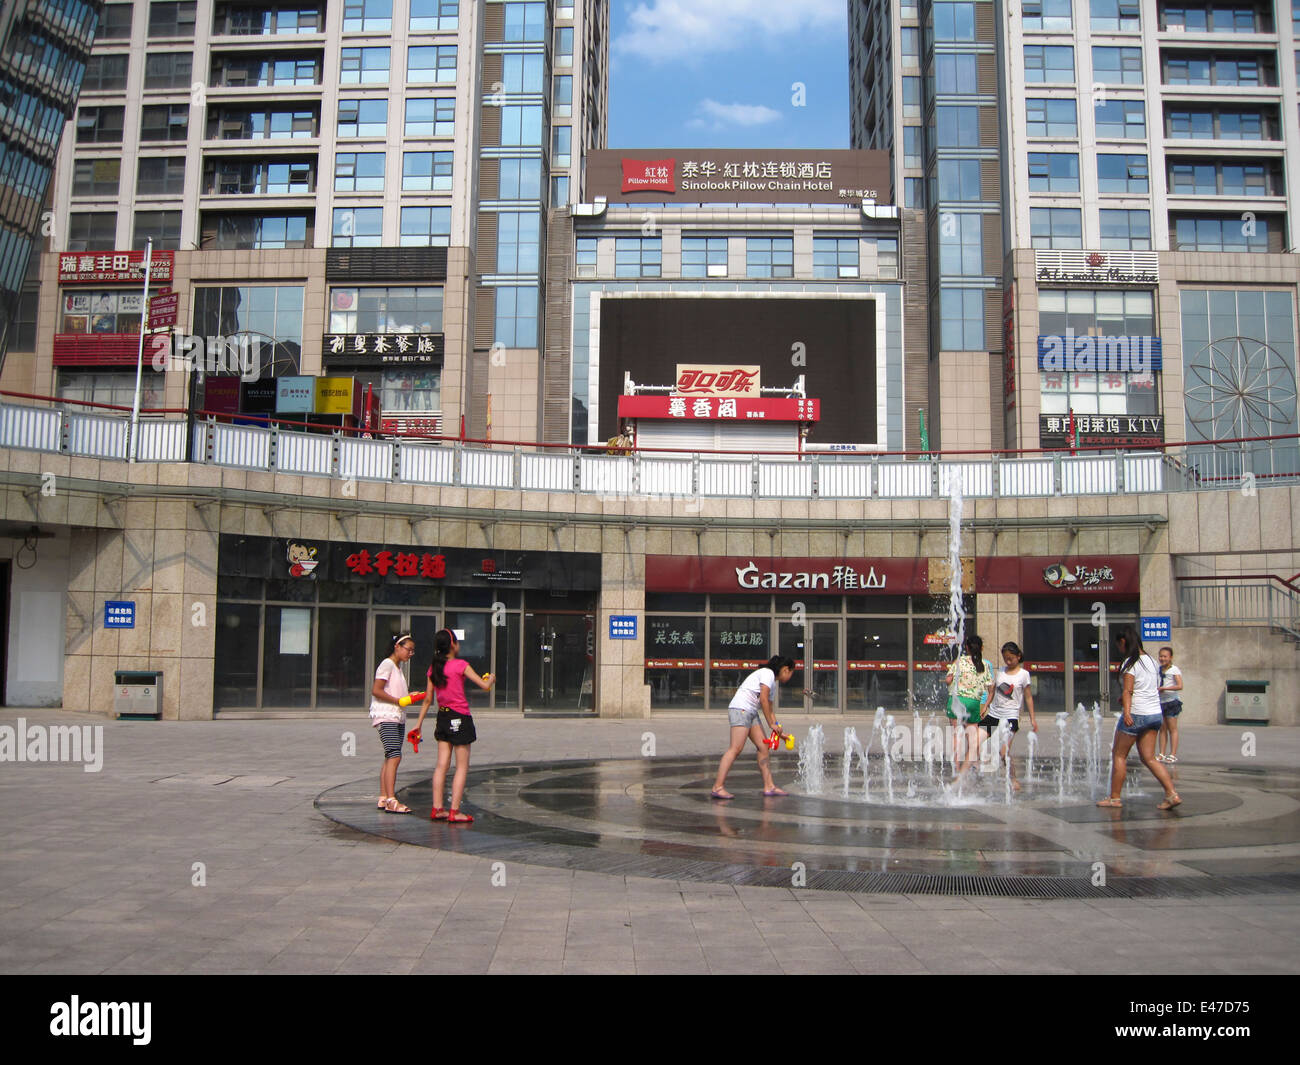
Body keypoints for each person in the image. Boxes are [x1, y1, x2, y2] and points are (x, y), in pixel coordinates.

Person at [411, 628, 494, 823]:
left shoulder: (434, 668)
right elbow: (485, 686)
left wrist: (418, 724)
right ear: (453, 645)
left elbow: (427, 700)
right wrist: (491, 678)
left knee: (441, 765)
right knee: (462, 766)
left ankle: (437, 808)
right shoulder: (461, 665)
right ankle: (454, 811)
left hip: (443, 717)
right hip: (460, 717)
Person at [1098, 625, 1181, 810]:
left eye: (1118, 645)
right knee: (1149, 757)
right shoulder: (1151, 660)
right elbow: (1146, 688)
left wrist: (1127, 713)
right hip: (1154, 715)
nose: (1118, 649)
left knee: (1119, 755)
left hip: (1136, 714)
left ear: (1123, 642)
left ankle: (1114, 798)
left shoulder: (1131, 662)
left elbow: (1128, 691)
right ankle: (1171, 794)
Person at [711, 655, 795, 799]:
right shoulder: (767, 673)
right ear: (786, 670)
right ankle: (717, 787)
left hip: (750, 712)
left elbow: (769, 708)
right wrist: (771, 725)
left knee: (763, 747)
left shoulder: (772, 683)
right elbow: (763, 699)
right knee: (735, 749)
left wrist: (779, 732)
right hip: (741, 709)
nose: (790, 677)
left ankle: (769, 786)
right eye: (791, 673)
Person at [370, 633, 422, 813]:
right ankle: (392, 799)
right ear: (397, 647)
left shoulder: (397, 668)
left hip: (396, 716)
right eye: (409, 649)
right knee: (394, 755)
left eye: (412, 651)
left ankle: (384, 797)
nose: (410, 654)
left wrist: (406, 699)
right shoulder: (387, 664)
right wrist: (398, 701)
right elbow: (376, 690)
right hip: (387, 715)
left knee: (390, 756)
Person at [980, 641, 1038, 790]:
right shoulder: (1001, 671)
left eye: (1011, 658)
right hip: (994, 713)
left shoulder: (1024, 675)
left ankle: (1013, 779)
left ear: (1018, 656)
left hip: (1011, 716)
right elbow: (992, 691)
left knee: (1003, 752)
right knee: (973, 739)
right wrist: (986, 705)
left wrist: (1032, 718)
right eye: (1005, 658)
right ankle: (969, 772)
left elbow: (1028, 697)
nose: (1008, 661)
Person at [945, 635, 992, 778]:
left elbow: (948, 680)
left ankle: (956, 768)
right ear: (981, 648)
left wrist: (951, 683)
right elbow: (991, 688)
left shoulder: (959, 662)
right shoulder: (984, 665)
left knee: (956, 735)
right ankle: (975, 766)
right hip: (973, 703)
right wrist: (986, 706)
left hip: (957, 700)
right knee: (972, 738)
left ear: (966, 648)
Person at [1156, 646, 1184, 763]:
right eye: (1161, 656)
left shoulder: (1174, 670)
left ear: (1170, 657)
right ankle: (1161, 753)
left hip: (1172, 703)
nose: (1162, 658)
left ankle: (1172, 754)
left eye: (1165, 656)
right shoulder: (1157, 669)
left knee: (1172, 729)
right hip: (1160, 702)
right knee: (1162, 729)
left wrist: (1165, 688)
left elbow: (1180, 685)